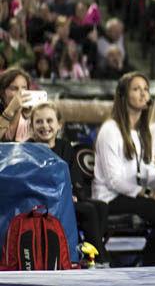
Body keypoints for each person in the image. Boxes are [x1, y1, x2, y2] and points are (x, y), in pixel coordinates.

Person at [92, 72, 155, 266]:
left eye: (146, 89)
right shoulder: (110, 130)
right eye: (136, 89)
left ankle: (154, 264)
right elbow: (114, 180)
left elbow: (146, 172)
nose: (143, 94)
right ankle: (148, 267)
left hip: (133, 194)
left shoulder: (142, 132)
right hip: (110, 198)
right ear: (123, 95)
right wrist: (147, 193)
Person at [30, 102, 110, 265]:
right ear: (31, 127)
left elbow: (75, 177)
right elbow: (35, 181)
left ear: (59, 125)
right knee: (88, 210)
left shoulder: (65, 146)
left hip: (67, 198)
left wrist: (75, 194)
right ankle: (98, 257)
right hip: (45, 202)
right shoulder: (30, 149)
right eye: (39, 122)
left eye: (49, 121)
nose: (45, 126)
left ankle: (90, 249)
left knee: (101, 206)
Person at [0, 67, 33, 141]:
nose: (20, 93)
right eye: (14, 88)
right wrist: (11, 109)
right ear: (2, 92)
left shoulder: (32, 117)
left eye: (24, 88)